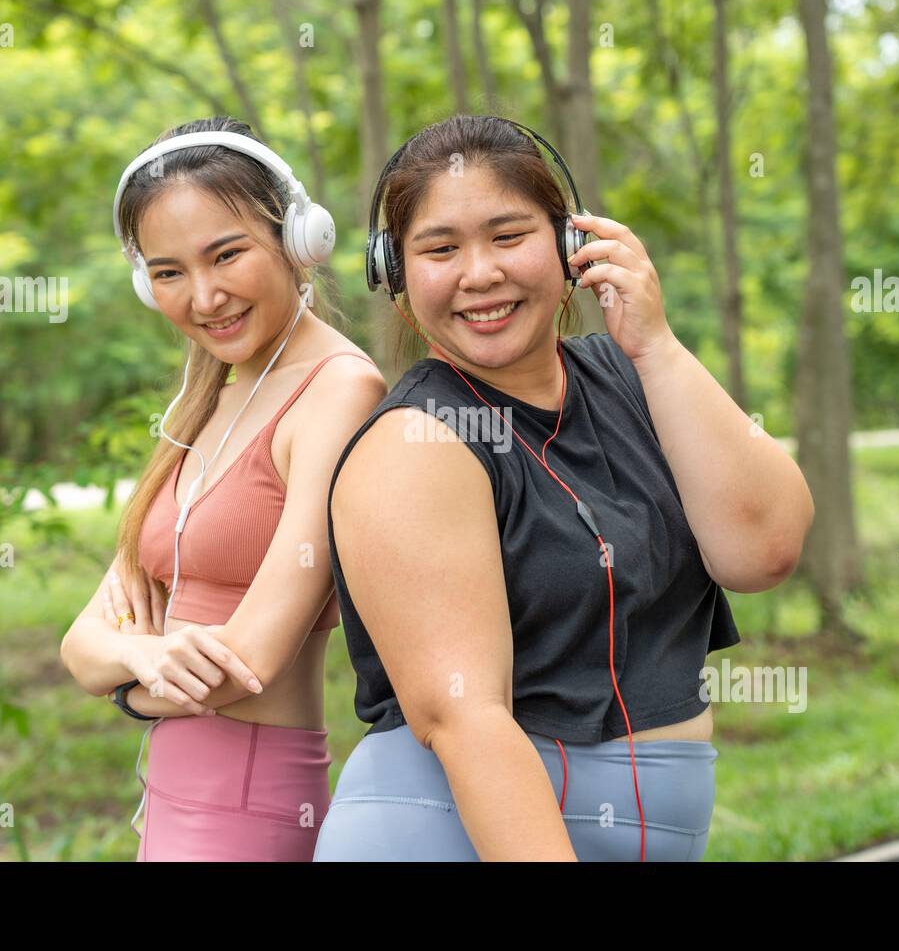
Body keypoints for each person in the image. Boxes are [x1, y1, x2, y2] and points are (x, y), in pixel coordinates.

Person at [312, 115, 814, 861]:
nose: (479, 273)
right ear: (396, 275)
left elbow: (763, 547)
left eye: (508, 236)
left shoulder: (633, 376)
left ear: (573, 245)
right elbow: (465, 719)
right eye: (441, 248)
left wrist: (658, 344)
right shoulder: (415, 446)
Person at [59, 116, 385, 861]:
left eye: (226, 254)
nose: (203, 298)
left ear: (300, 239)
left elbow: (249, 659)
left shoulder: (341, 388)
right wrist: (139, 662)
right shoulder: (205, 397)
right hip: (172, 794)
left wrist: (125, 684)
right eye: (169, 272)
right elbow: (80, 645)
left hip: (248, 795)